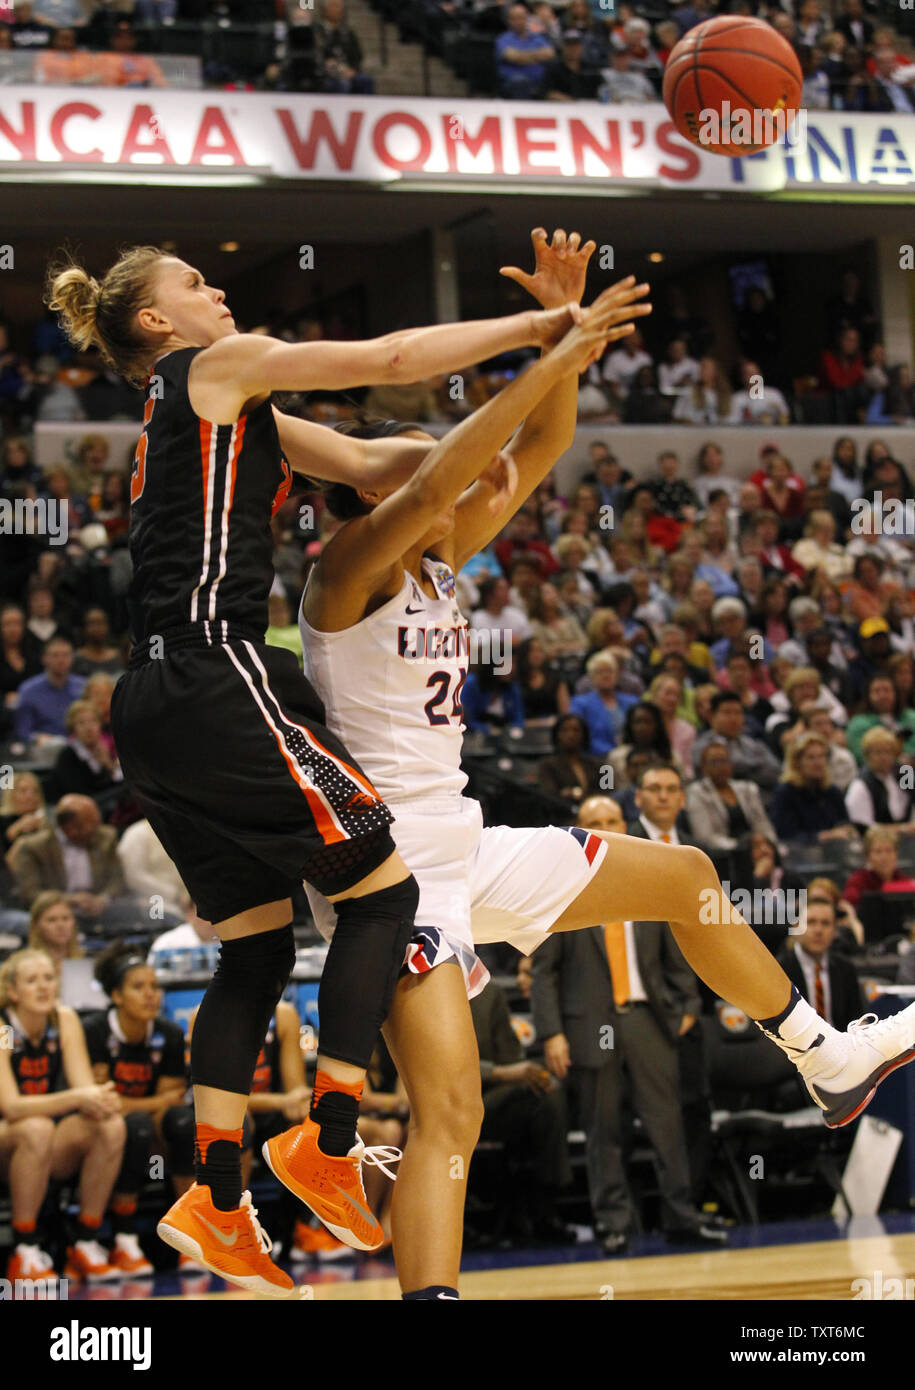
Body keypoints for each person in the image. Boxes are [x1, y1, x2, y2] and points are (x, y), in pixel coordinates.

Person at [297, 228, 915, 1303]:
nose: (450, 474)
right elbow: (462, 461)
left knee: (683, 878)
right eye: (415, 462)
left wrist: (571, 348)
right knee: (453, 1110)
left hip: (462, 839)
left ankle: (825, 1056)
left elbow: (536, 448)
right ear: (367, 497)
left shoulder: (440, 556)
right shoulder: (344, 571)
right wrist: (552, 345)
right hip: (382, 877)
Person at [46, 239, 578, 1293]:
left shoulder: (234, 408)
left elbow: (391, 466)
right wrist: (536, 336)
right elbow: (388, 356)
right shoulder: (217, 365)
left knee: (252, 951)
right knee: (384, 895)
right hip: (217, 670)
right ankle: (330, 1145)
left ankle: (217, 1193)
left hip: (148, 709)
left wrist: (484, 448)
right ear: (156, 323)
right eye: (192, 284)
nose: (216, 291)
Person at [531, 799, 719, 1253]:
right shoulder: (559, 890)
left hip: (649, 1020)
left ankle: (681, 1218)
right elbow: (543, 971)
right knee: (603, 1130)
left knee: (666, 1125)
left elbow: (680, 948)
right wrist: (551, 1032)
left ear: (624, 826)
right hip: (588, 1024)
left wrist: (688, 1005)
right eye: (593, 823)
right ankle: (613, 1223)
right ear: (578, 830)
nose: (604, 828)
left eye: (611, 821)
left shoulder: (648, 882)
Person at [0, 948, 126, 1285]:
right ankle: (24, 1251)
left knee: (110, 1126)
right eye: (31, 981)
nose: (43, 987)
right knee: (36, 1128)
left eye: (48, 979)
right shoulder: (2, 1028)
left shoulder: (64, 1018)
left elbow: (87, 1091)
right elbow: (10, 1107)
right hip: (8, 1138)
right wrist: (79, 1097)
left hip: (41, 1137)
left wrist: (102, 1100)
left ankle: (85, 1242)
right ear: (13, 991)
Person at [83, 942, 193, 1276]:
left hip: (147, 1126)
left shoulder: (169, 1034)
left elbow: (172, 1102)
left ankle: (188, 1233)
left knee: (184, 1122)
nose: (151, 995)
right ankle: (124, 1238)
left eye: (155, 987)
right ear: (116, 996)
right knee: (135, 1125)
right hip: (98, 1125)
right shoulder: (95, 1031)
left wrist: (151, 1104)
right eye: (138, 987)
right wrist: (154, 1103)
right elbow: (105, 1101)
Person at [779, 899, 865, 1032]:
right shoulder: (779, 970)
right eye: (811, 922)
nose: (818, 930)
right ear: (796, 926)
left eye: (825, 923)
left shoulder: (846, 969)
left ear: (835, 930)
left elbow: (857, 1023)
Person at [771, 732, 858, 847]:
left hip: (835, 853)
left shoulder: (832, 791)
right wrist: (827, 836)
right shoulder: (785, 793)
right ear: (797, 762)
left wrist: (850, 833)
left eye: (821, 756)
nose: (818, 763)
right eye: (810, 757)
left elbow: (844, 824)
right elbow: (786, 836)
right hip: (801, 858)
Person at [12, 635, 85, 746]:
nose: (61, 660)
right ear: (44, 659)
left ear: (72, 658)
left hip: (79, 748)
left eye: (66, 655)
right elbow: (23, 732)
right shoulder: (28, 690)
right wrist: (37, 738)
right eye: (55, 655)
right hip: (43, 750)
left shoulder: (83, 687)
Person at [844, 727, 915, 833]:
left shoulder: (904, 773)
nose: (884, 757)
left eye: (888, 752)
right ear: (867, 756)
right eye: (878, 752)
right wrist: (903, 829)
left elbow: (913, 800)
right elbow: (863, 827)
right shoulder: (861, 785)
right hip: (878, 843)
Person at [844, 826, 915, 907]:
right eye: (878, 852)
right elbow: (848, 906)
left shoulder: (905, 881)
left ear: (896, 854)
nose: (884, 857)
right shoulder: (857, 882)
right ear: (868, 856)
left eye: (889, 851)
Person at [27, 890, 84, 970]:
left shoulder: (85, 960)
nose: (61, 926)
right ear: (36, 925)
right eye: (51, 920)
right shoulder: (26, 964)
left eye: (65, 918)